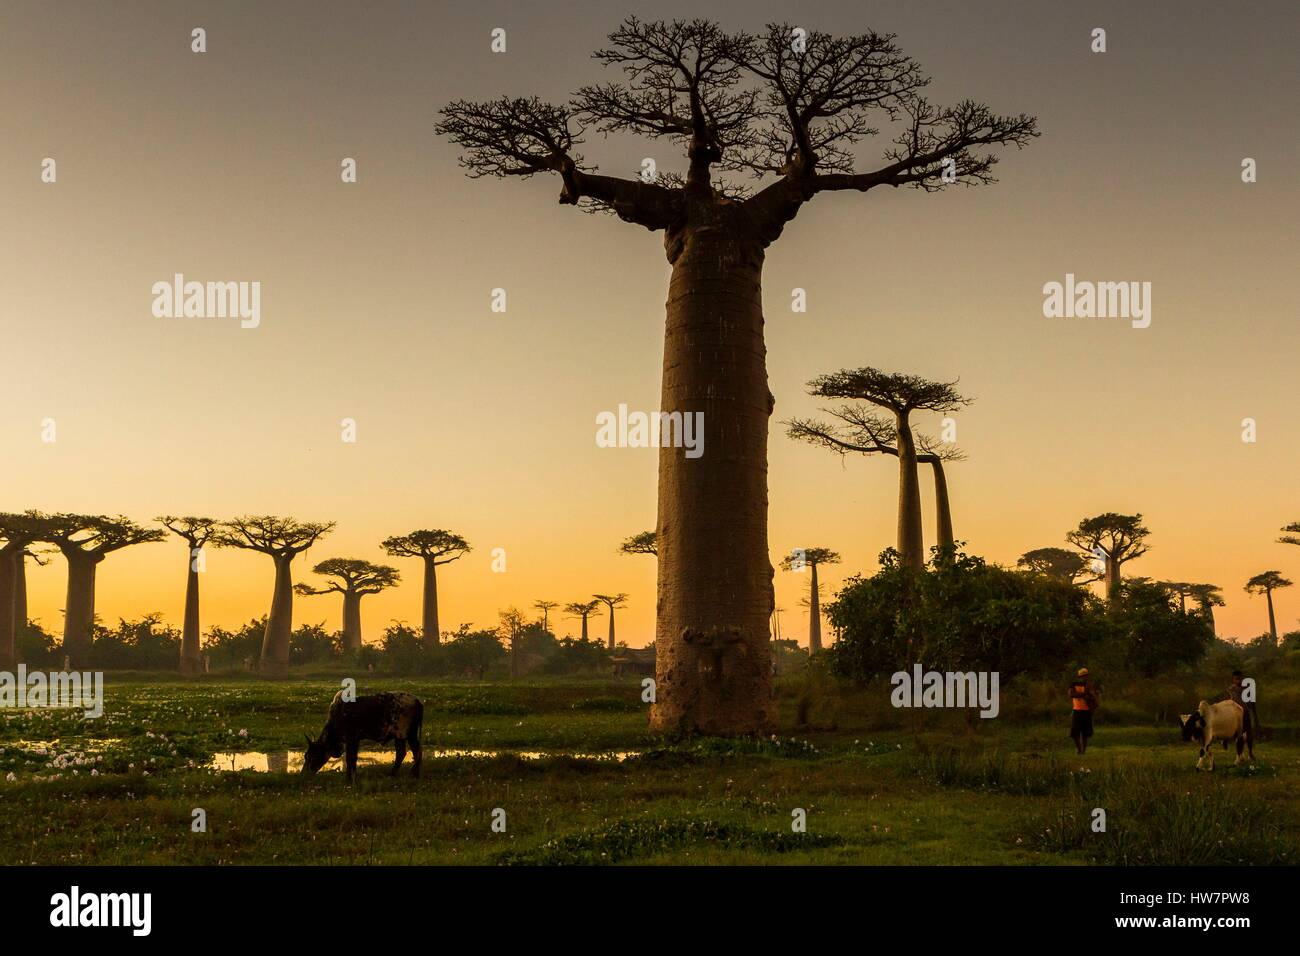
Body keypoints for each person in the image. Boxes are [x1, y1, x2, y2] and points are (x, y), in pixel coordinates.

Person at [1068, 667, 1099, 755]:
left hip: (1087, 711)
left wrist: (1086, 696)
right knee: (1074, 733)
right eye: (1083, 676)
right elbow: (1071, 694)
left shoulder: (1089, 685)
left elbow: (1093, 697)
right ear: (1079, 677)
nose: (1085, 677)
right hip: (1076, 710)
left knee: (1085, 733)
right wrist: (1084, 694)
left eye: (1086, 676)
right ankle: (1079, 749)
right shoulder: (1074, 684)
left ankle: (1083, 751)